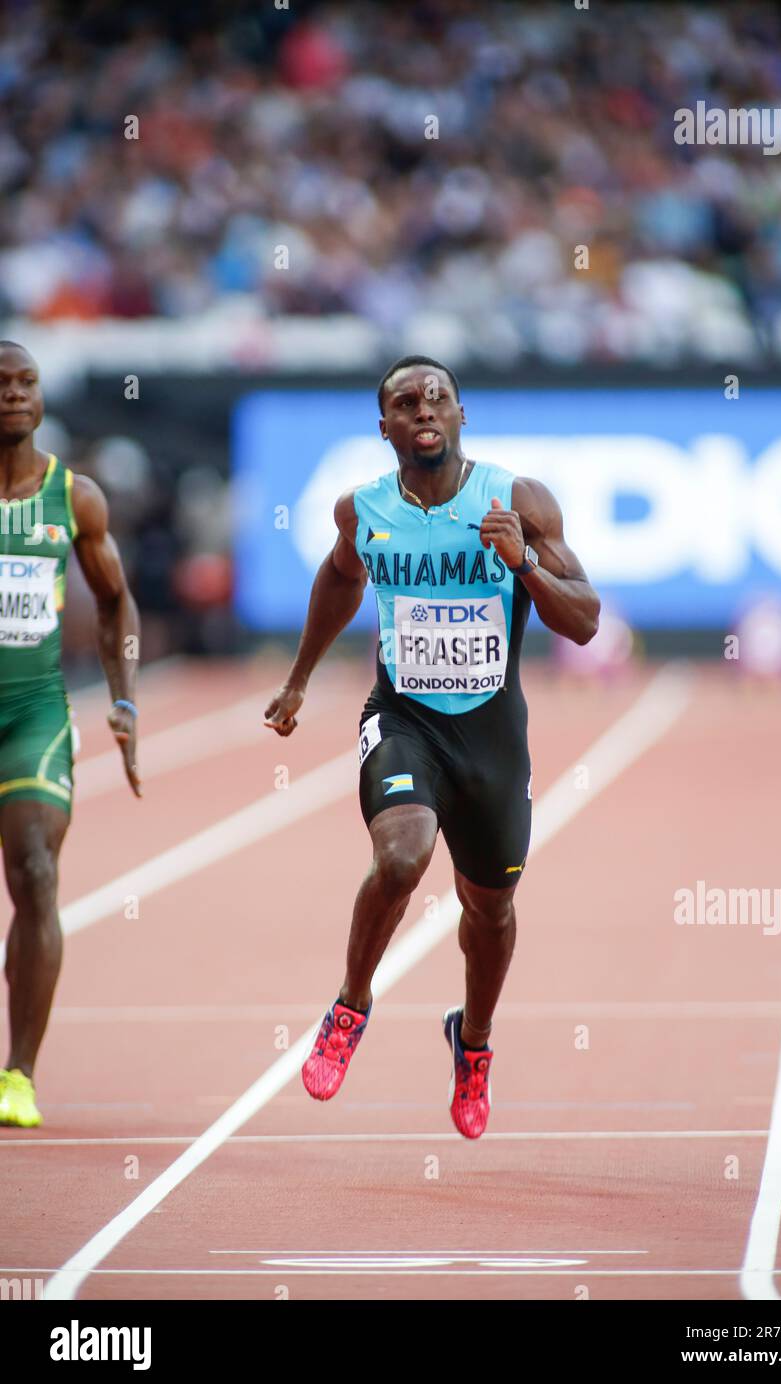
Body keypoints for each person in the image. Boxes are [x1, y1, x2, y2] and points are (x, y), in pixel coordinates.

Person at [265, 356, 599, 1138]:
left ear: (461, 416)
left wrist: (522, 563)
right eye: (406, 401)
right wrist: (299, 679)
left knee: (491, 909)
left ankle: (472, 1043)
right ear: (383, 426)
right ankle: (350, 1007)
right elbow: (340, 579)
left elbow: (585, 620)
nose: (425, 409)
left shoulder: (516, 501)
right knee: (402, 856)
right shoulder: (364, 509)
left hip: (490, 738)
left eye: (439, 398)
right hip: (403, 718)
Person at [0, 342, 141, 1127]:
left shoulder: (75, 497)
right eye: (1, 385)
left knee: (35, 875)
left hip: (33, 717)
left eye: (27, 384)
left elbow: (117, 601)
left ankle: (17, 1074)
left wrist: (124, 701)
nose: (15, 396)